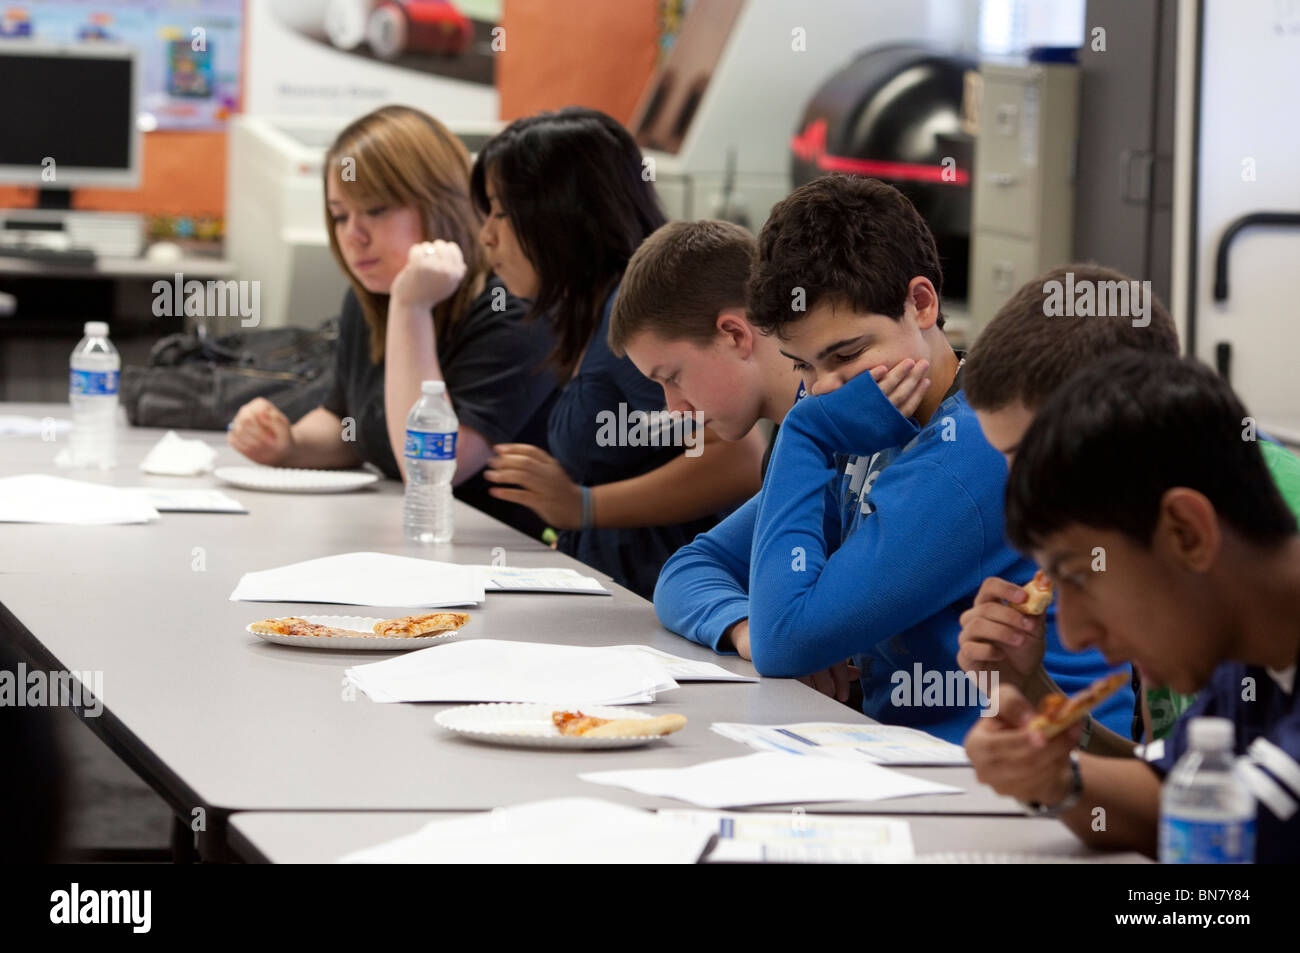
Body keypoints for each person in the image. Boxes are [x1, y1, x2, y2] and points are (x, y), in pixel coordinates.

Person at [682, 174, 1131, 742]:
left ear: (921, 304)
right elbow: (694, 567)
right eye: (804, 367)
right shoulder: (867, 425)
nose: (825, 388)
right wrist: (744, 625)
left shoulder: (973, 448)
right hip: (902, 758)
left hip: (1011, 778)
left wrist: (801, 435)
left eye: (847, 354)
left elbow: (786, 642)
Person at [964, 352, 1300, 862]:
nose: (1073, 635)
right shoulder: (1243, 643)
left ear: (1186, 533)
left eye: (1080, 576)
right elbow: (1169, 794)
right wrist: (1052, 773)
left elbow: (1250, 828)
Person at [958, 264, 1300, 746]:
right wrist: (1029, 691)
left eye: (1030, 455)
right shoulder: (1135, 511)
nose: (1019, 487)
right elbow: (1175, 785)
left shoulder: (1237, 535)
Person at [226, 105, 558, 538]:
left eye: (376, 210)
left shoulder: (512, 309)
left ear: (442, 201)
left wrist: (410, 309)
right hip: (411, 543)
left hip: (499, 558)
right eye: (340, 215)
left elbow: (430, 467)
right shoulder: (375, 296)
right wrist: (289, 443)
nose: (353, 235)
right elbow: (349, 424)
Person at [472, 108, 765, 596]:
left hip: (668, 605)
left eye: (502, 212)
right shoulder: (584, 312)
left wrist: (585, 506)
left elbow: (738, 457)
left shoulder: (626, 321)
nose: (487, 235)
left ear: (562, 215)